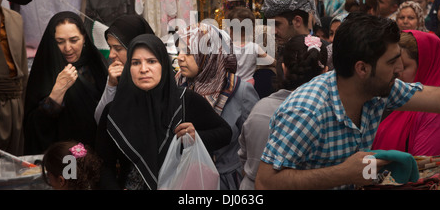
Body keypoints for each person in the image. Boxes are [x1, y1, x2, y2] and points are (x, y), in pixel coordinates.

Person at [255, 13, 440, 190]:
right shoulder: (307, 111)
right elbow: (265, 182)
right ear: (362, 69)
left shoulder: (378, 89)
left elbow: (438, 99)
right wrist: (343, 173)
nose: (399, 68)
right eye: (391, 62)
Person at [96, 34, 232, 190]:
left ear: (163, 65)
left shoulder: (185, 100)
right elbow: (104, 164)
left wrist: (196, 137)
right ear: (128, 68)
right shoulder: (114, 111)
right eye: (135, 63)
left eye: (152, 61)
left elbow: (225, 133)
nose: (143, 69)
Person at [175, 22, 260, 190]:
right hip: (187, 178)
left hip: (228, 181)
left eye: (189, 52)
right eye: (179, 50)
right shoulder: (178, 84)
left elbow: (255, 144)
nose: (180, 57)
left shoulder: (239, 91)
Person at [238, 34, 328, 190]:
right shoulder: (328, 114)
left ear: (284, 68)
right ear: (325, 72)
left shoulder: (260, 109)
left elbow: (244, 156)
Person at [23, 11, 108, 155]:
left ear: (84, 38)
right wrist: (57, 93)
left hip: (98, 154)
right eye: (60, 41)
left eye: (74, 40)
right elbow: (34, 127)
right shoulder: (44, 71)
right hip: (63, 158)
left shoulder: (96, 67)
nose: (67, 48)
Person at [373, 30, 440, 156]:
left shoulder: (435, 111)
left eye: (404, 66)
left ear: (424, 66)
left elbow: (423, 166)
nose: (396, 72)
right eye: (391, 64)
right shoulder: (383, 96)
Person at [94, 14, 155, 123]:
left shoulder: (155, 74)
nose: (111, 55)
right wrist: (111, 85)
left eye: (118, 48)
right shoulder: (117, 75)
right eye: (110, 47)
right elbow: (99, 119)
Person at [0, 0, 28, 156]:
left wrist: (22, 105)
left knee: (14, 160)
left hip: (15, 101)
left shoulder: (15, 19)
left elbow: (22, 63)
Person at [226, 7, 275, 84]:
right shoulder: (254, 47)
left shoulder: (226, 47)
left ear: (231, 30)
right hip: (248, 85)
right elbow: (272, 62)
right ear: (252, 30)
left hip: (230, 85)